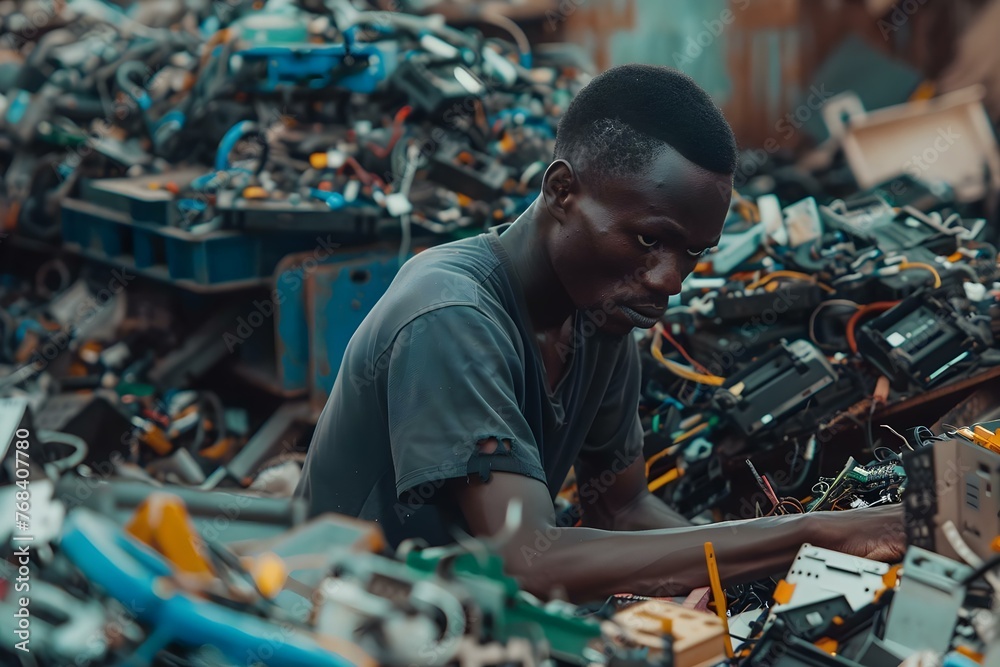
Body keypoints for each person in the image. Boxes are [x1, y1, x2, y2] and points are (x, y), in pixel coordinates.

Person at [294, 63, 905, 603]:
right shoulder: (452, 315)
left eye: (691, 253)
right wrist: (805, 534)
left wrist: (788, 567)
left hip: (461, 615)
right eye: (647, 239)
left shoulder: (602, 316)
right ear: (562, 190)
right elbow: (526, 558)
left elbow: (622, 508)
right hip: (344, 623)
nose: (670, 280)